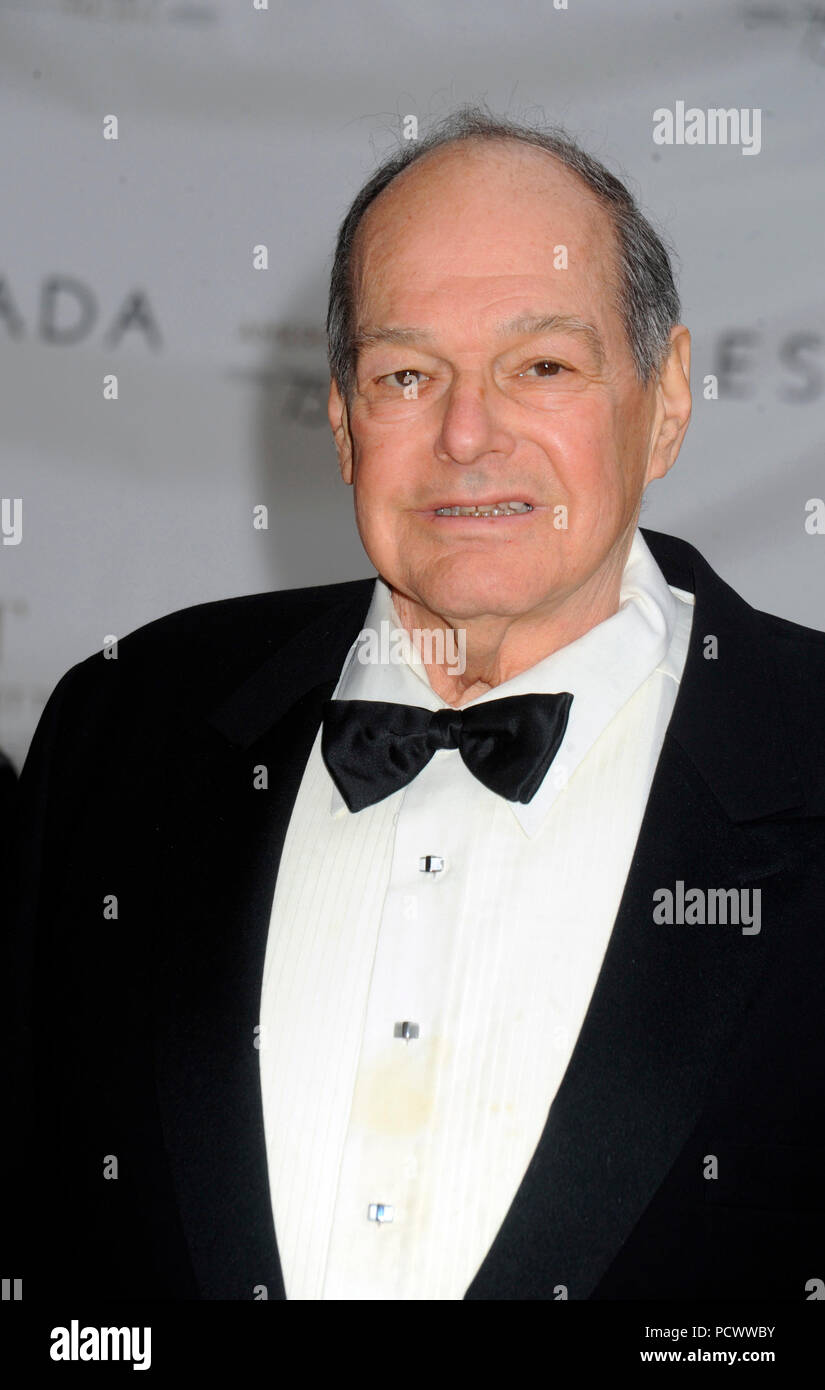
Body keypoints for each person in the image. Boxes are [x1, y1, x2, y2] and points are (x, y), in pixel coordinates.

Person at [5, 108, 824, 1302]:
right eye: (405, 374)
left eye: (541, 365)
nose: (466, 433)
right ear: (342, 422)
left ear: (665, 399)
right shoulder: (120, 734)